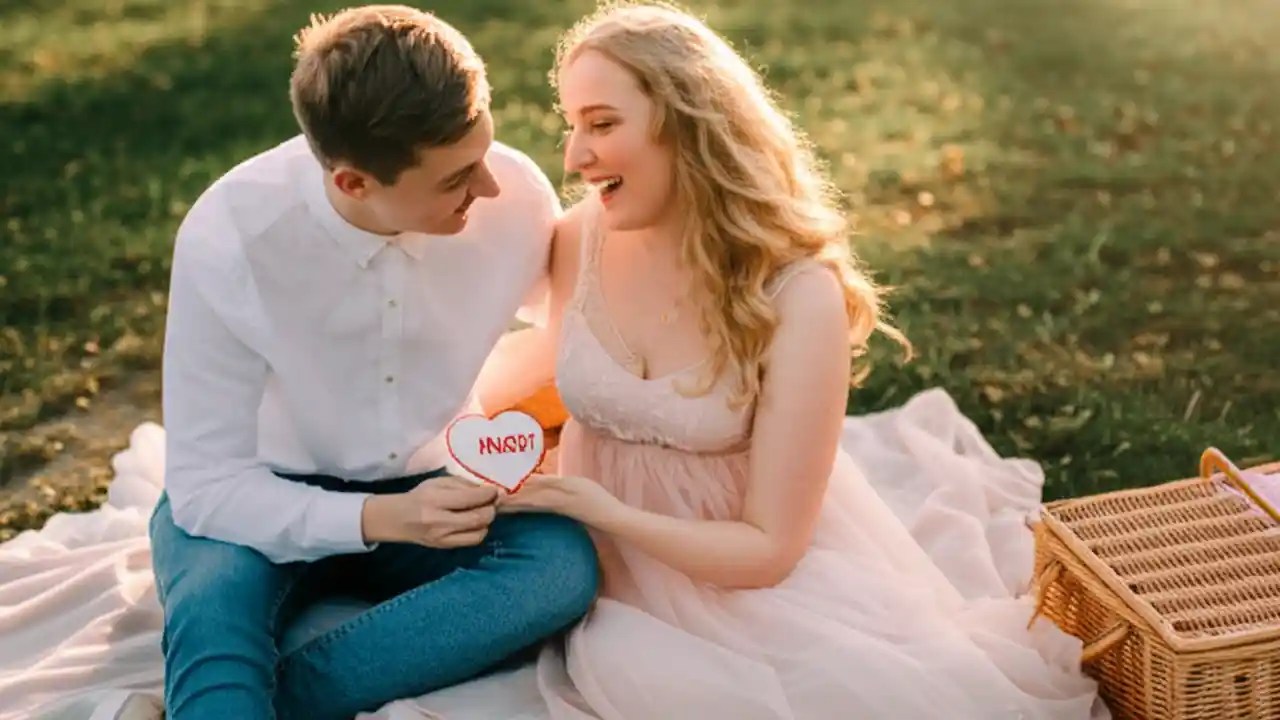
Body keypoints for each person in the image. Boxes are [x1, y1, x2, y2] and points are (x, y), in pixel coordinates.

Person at [418, 3, 1107, 718]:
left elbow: (769, 549)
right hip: (583, 561)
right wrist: (449, 438)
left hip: (740, 587)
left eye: (601, 123)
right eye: (572, 124)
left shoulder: (797, 293)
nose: (573, 156)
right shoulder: (580, 236)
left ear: (686, 122)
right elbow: (532, 368)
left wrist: (607, 512)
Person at [148, 6, 597, 719]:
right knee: (212, 617)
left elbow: (583, 322)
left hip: (439, 481)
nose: (486, 188)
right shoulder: (231, 236)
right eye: (455, 179)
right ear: (354, 183)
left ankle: (241, 704)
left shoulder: (510, 194)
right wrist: (380, 518)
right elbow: (206, 488)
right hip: (256, 500)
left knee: (558, 570)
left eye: (484, 152)